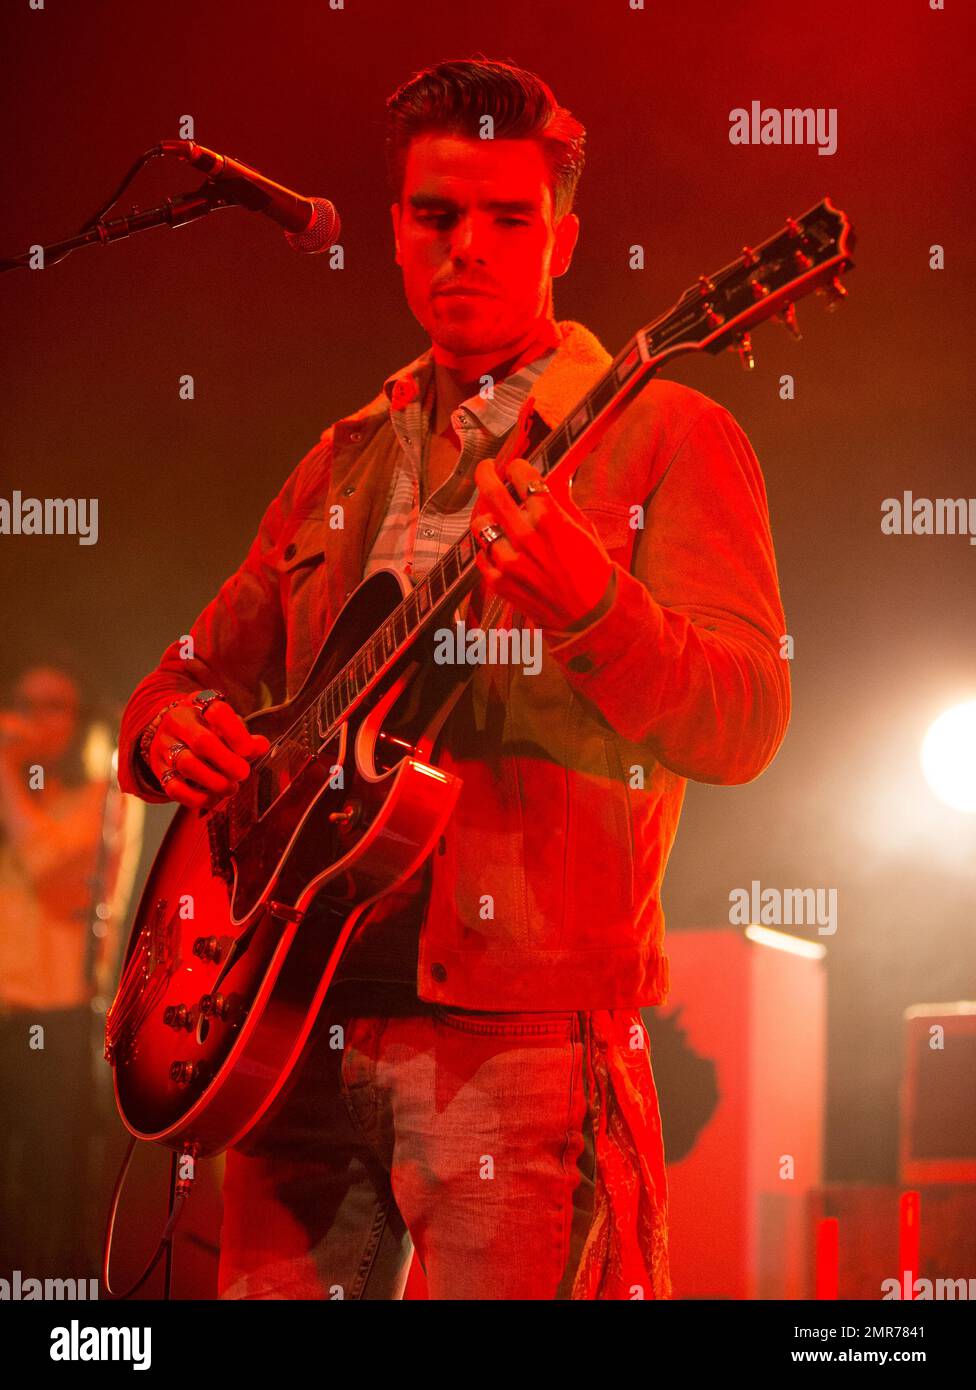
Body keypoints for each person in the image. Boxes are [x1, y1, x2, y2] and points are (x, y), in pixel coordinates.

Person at [116, 57, 791, 1299]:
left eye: (506, 218)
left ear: (563, 240)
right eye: (435, 215)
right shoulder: (339, 459)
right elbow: (184, 674)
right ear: (393, 230)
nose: (465, 245)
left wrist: (594, 608)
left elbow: (744, 716)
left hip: (520, 1039)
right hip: (282, 1020)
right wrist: (170, 732)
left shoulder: (664, 435)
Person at [0, 661, 142, 1275]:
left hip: (57, 1023)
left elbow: (58, 887)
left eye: (53, 706)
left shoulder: (103, 799)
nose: (34, 720)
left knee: (52, 1195)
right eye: (24, 704)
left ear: (80, 720)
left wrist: (5, 775)